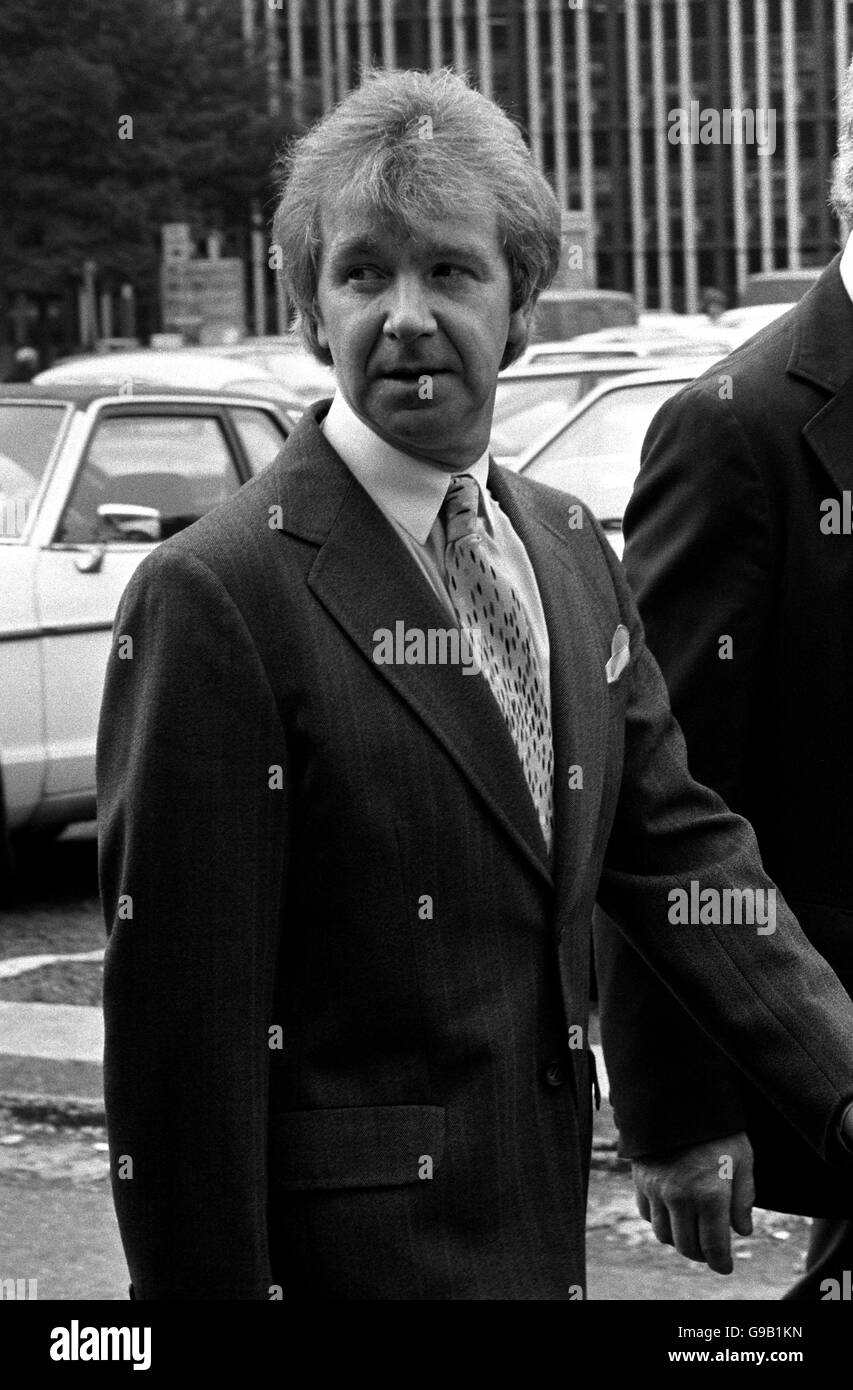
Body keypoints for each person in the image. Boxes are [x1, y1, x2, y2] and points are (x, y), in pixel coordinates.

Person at [98, 67, 853, 1302]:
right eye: (362, 274)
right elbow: (183, 1051)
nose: (405, 316)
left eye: (449, 271)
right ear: (311, 312)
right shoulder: (216, 594)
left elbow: (680, 854)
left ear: (521, 308)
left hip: (535, 1248)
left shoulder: (567, 547)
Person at [594, 54, 853, 1303]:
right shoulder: (734, 425)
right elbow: (657, 791)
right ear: (845, 184)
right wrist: (677, 1109)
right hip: (827, 1041)